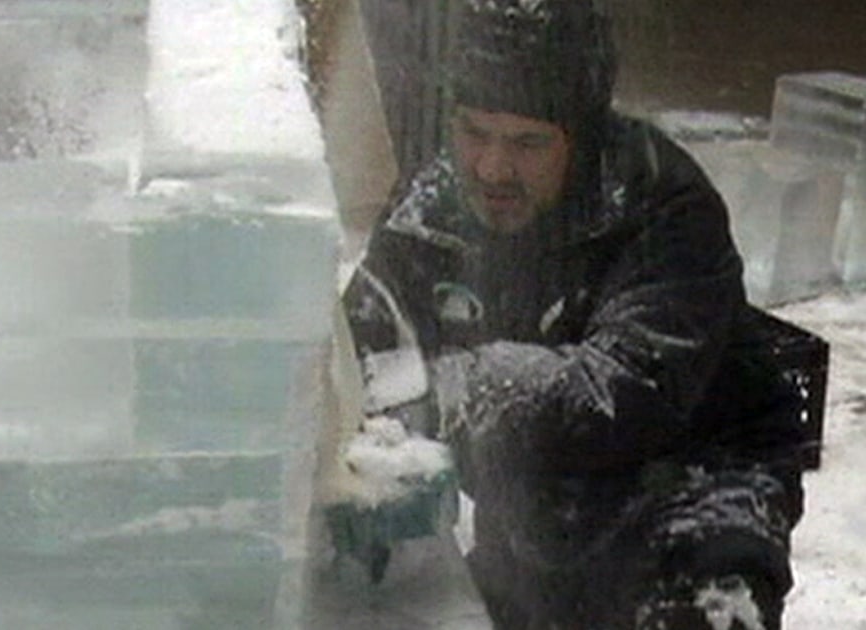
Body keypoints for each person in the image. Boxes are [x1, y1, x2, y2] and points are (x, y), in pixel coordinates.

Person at [341, 0, 807, 627]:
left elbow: (620, 395)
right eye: (474, 131)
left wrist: (448, 387)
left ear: (580, 137)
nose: (491, 168)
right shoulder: (432, 204)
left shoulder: (664, 205)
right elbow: (361, 349)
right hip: (540, 508)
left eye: (527, 143)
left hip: (693, 494)